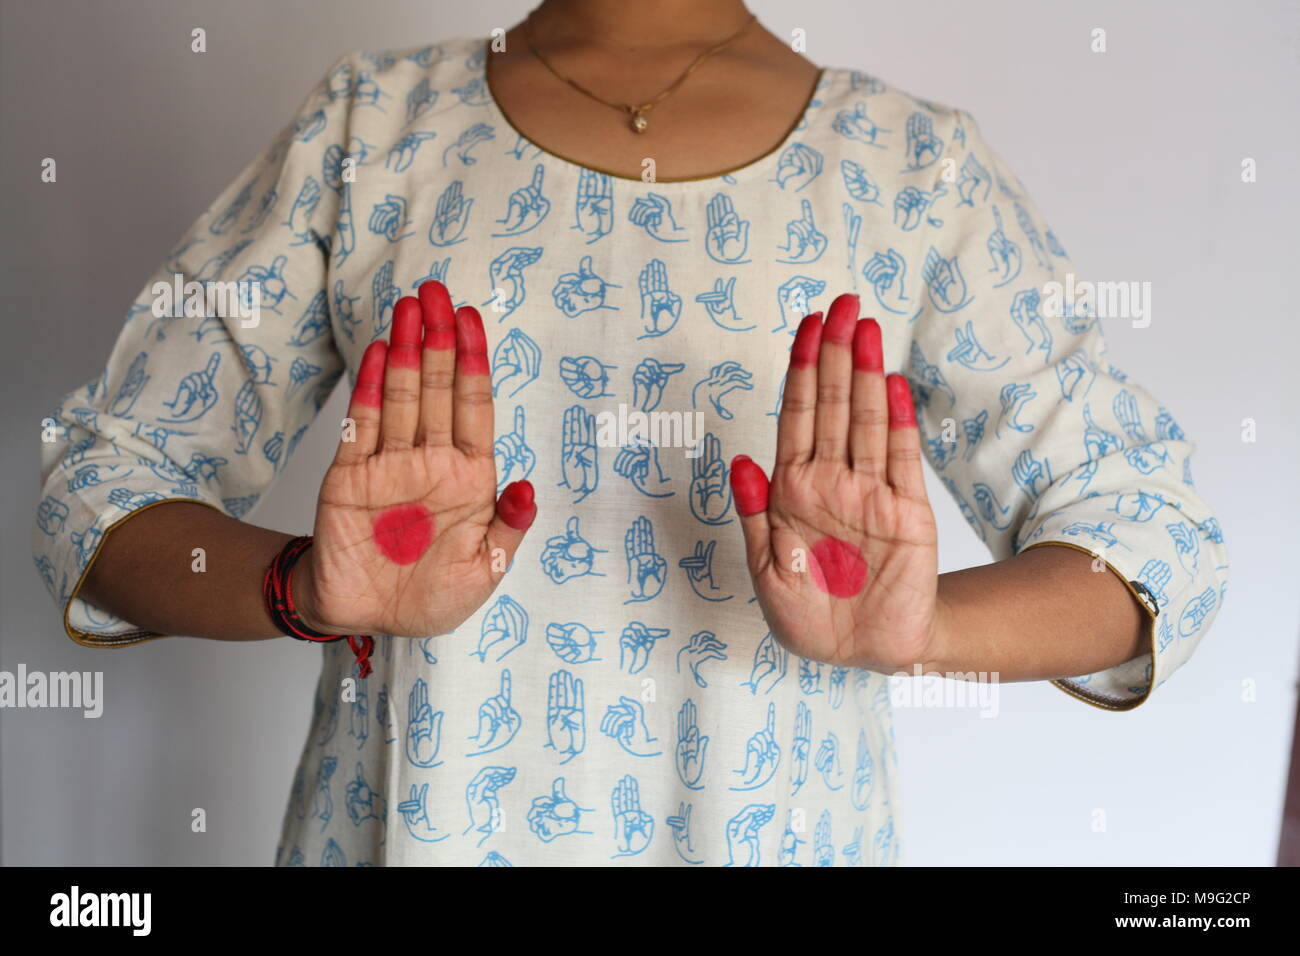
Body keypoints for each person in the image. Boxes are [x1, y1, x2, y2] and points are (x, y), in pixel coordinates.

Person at [33, 0, 1228, 866]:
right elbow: (99, 488)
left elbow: (1154, 541)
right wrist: (303, 585)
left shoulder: (914, 170)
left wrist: (921, 631)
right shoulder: (371, 130)